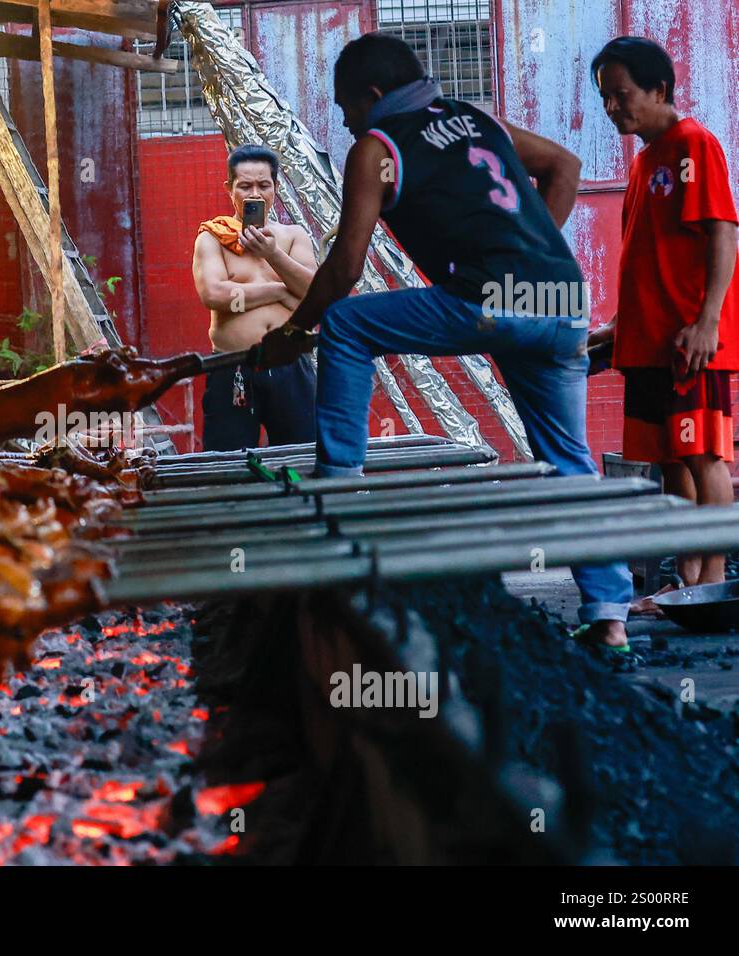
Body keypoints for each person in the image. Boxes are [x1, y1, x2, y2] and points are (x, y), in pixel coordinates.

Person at [254, 33, 633, 649]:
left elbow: (346, 267)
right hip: (562, 300)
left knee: (347, 325)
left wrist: (296, 331)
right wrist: (524, 257)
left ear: (372, 96)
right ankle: (610, 620)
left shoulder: (377, 147)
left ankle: (338, 499)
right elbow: (565, 165)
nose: (347, 123)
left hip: (491, 300)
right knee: (569, 462)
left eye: (346, 107)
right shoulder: (477, 118)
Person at [587, 36, 738, 608]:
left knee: (704, 456)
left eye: (622, 95)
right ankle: (687, 579)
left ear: (660, 90)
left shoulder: (693, 144)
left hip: (688, 343)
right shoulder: (645, 160)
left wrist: (706, 324)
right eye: (605, 97)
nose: (612, 108)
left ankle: (714, 580)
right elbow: (648, 258)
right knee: (671, 462)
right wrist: (620, 326)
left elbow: (723, 231)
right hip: (647, 343)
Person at [192, 144, 318, 451]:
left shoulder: (293, 236)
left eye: (264, 185)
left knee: (302, 458)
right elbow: (215, 294)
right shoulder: (214, 237)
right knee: (228, 463)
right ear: (229, 189)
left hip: (292, 363)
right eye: (245, 185)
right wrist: (279, 291)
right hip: (233, 365)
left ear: (276, 187)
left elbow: (316, 293)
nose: (255, 194)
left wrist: (272, 254)